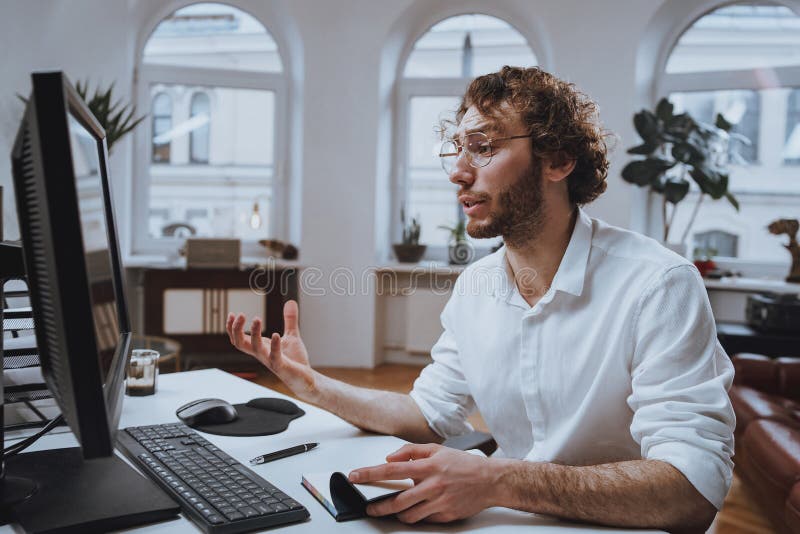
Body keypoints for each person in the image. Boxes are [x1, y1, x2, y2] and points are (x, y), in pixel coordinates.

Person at [227, 66, 734, 532]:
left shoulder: (659, 284)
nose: (458, 173)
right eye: (457, 150)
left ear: (558, 159)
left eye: (484, 147)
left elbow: (691, 491)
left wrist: (497, 481)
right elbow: (426, 415)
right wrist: (313, 386)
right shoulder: (476, 285)